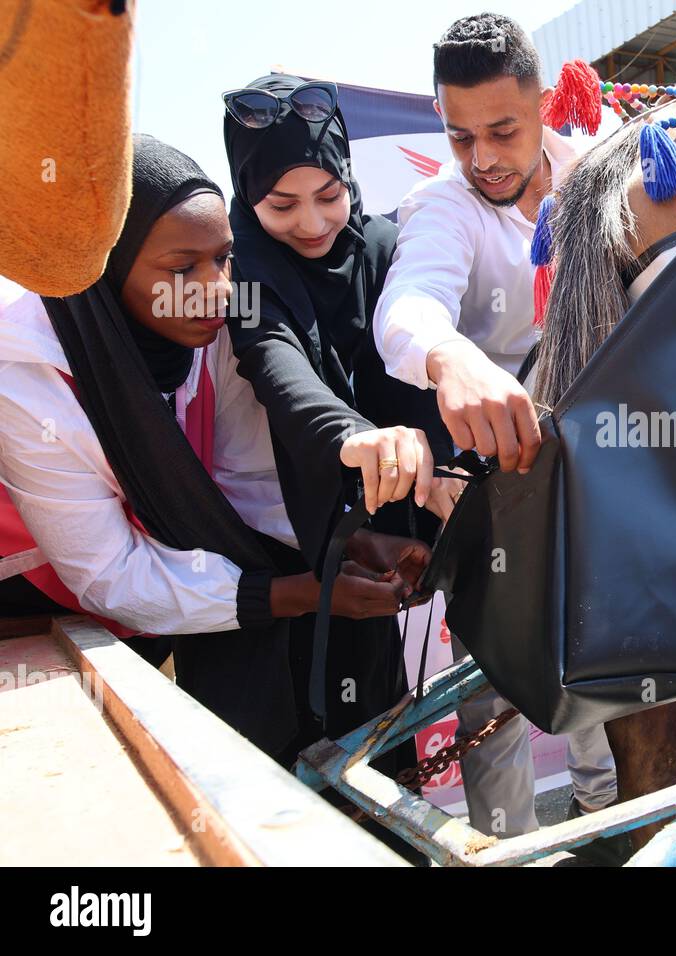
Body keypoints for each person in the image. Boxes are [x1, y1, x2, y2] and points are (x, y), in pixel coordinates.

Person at [0, 135, 415, 763]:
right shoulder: (29, 370)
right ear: (108, 267)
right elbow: (105, 575)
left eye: (223, 259)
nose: (215, 289)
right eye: (180, 267)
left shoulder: (205, 335)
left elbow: (246, 482)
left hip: (144, 617)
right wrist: (297, 593)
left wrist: (342, 546)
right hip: (29, 626)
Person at [373, 14, 622, 857]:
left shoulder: (601, 170)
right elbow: (408, 307)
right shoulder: (441, 208)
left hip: (599, 480)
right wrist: (451, 358)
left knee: (604, 667)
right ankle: (509, 849)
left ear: (546, 105)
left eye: (504, 130)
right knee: (498, 684)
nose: (482, 157)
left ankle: (610, 822)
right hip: (490, 483)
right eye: (459, 135)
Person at [222, 76, 460, 777]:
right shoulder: (239, 269)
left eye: (330, 196)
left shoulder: (385, 246)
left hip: (377, 547)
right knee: (278, 761)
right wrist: (356, 439)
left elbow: (414, 358)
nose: (312, 223)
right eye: (280, 204)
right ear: (245, 196)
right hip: (268, 550)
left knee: (378, 741)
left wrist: (439, 468)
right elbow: (276, 366)